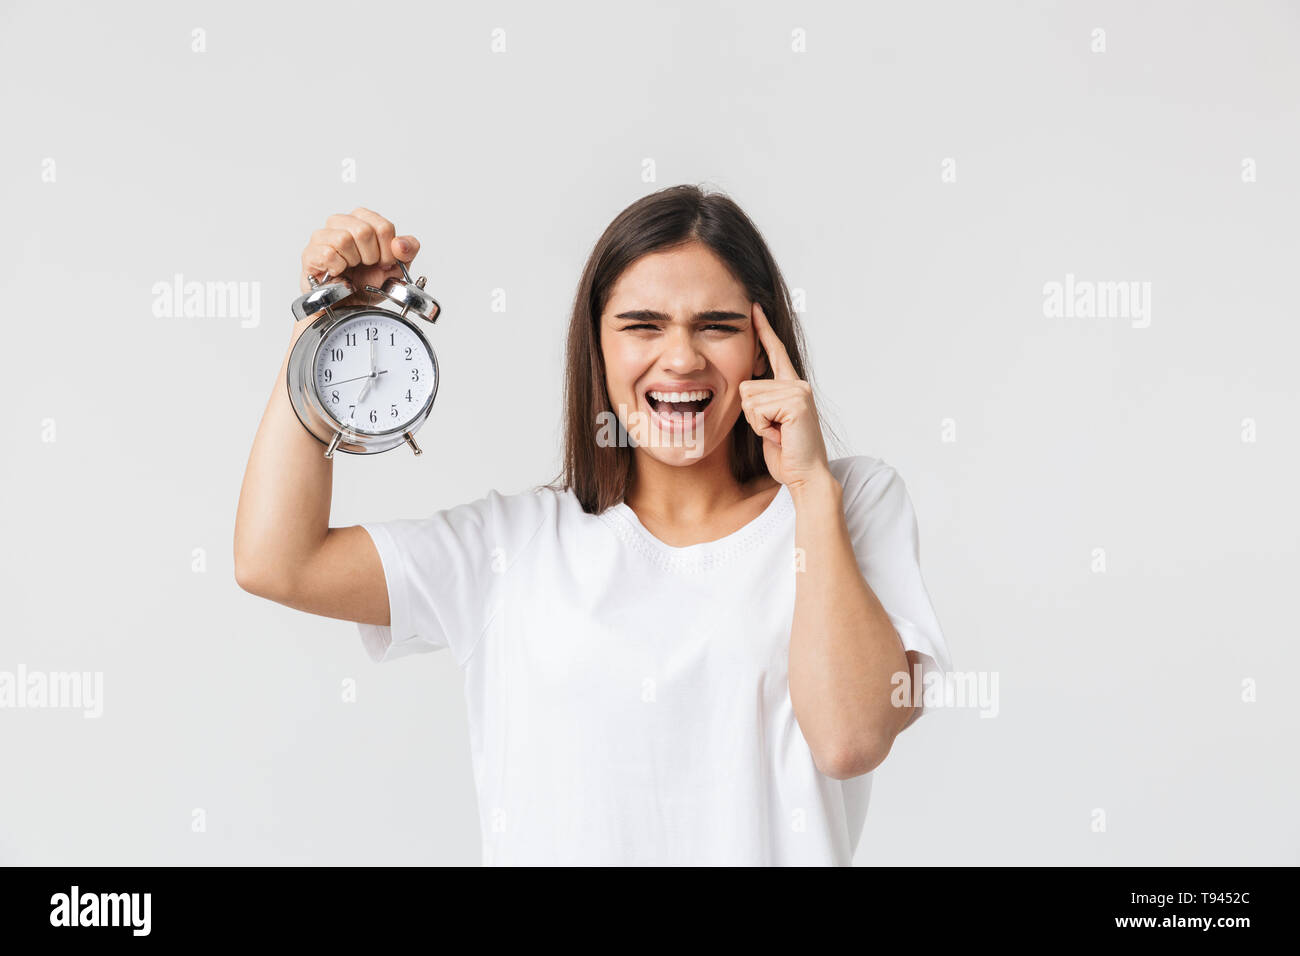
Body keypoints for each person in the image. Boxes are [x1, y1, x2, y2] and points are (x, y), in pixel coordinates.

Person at [234, 185, 952, 866]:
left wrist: (809, 489)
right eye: (643, 325)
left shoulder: (848, 504)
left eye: (718, 327)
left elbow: (851, 740)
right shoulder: (512, 547)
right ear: (597, 346)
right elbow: (277, 560)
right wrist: (327, 322)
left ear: (764, 348)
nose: (681, 358)